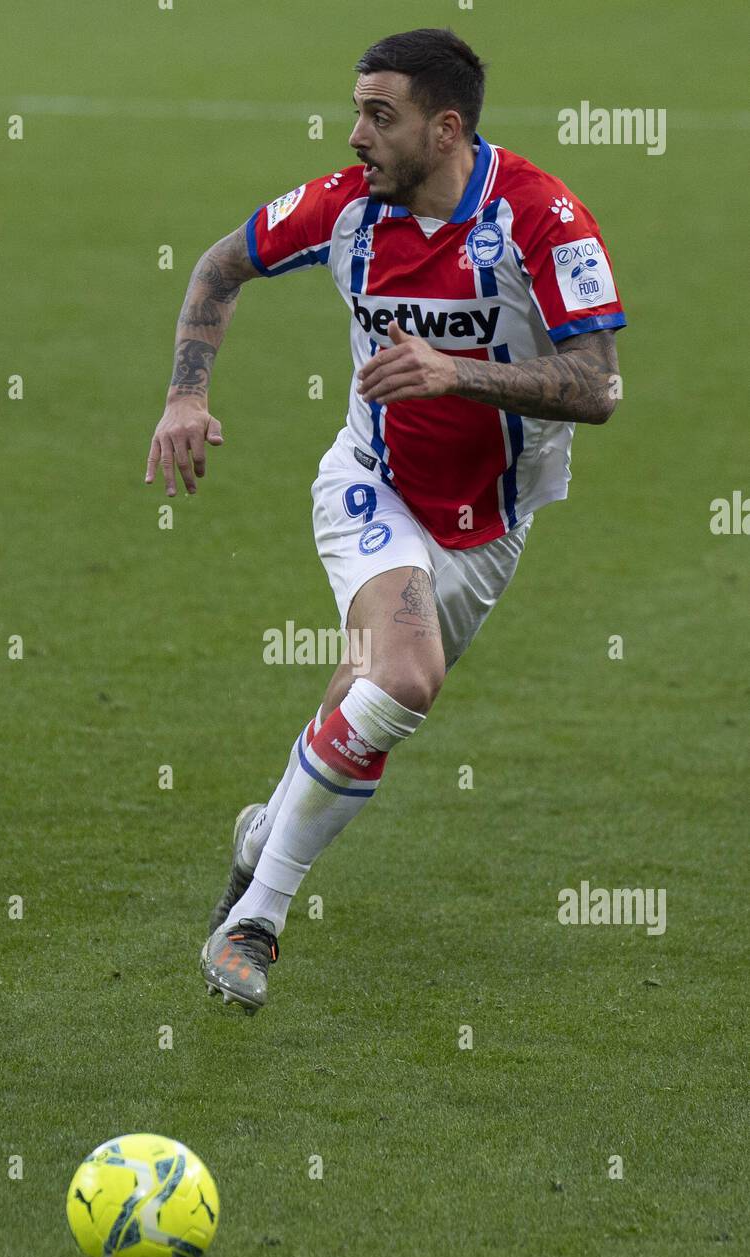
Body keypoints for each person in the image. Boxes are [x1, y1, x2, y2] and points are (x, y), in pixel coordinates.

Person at [146, 27, 626, 1013]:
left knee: (363, 701)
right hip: (370, 483)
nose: (354, 135)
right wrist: (185, 396)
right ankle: (252, 925)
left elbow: (596, 387)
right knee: (404, 676)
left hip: (490, 520)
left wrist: (454, 373)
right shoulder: (342, 208)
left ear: (444, 128)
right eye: (355, 110)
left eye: (379, 116)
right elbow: (215, 269)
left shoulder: (541, 220)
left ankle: (267, 825)